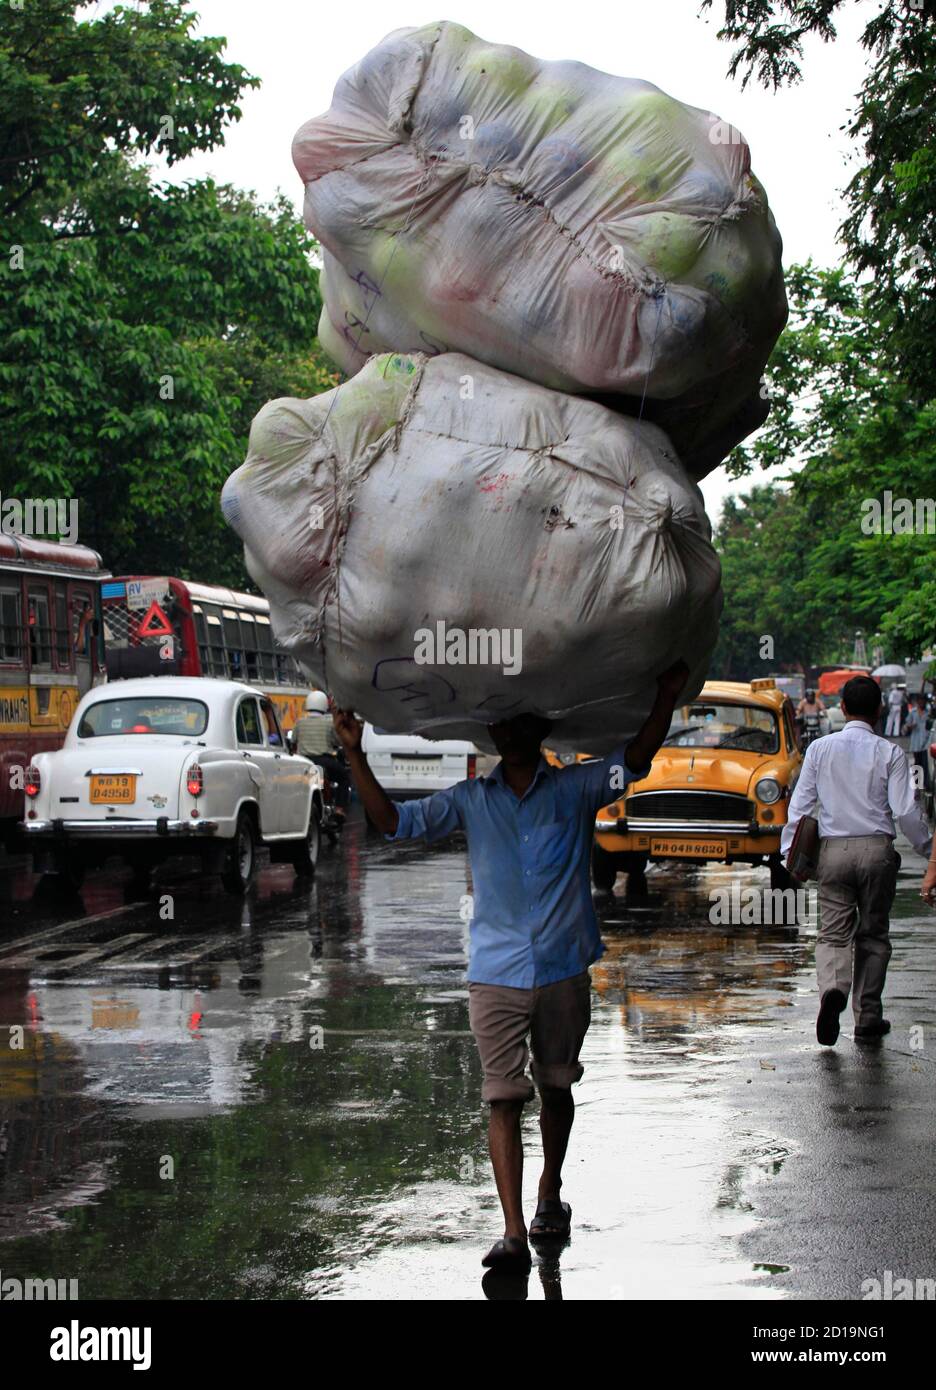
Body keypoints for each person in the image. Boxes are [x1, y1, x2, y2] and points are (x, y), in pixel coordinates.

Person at [332, 659, 690, 1274]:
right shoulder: (472, 801)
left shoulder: (577, 789)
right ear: (493, 735)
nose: (513, 733)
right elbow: (391, 823)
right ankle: (513, 1231)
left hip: (562, 969)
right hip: (494, 974)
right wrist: (355, 754)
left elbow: (635, 758)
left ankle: (550, 1187)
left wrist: (666, 694)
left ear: (541, 730)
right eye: (503, 724)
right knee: (502, 1097)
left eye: (524, 723)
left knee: (556, 1085)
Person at [782, 675, 932, 1046]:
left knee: (833, 934)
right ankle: (867, 1017)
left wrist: (790, 852)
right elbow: (906, 812)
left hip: (833, 853)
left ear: (843, 708)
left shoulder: (819, 749)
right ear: (880, 710)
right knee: (874, 935)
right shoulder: (890, 753)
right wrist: (930, 851)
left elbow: (799, 806)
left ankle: (833, 989)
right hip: (878, 852)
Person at [294, 692, 350, 816]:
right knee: (344, 778)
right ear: (325, 705)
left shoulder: (300, 722)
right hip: (324, 761)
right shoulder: (329, 722)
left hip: (304, 763)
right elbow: (337, 740)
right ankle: (339, 809)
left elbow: (293, 741)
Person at [903, 692, 931, 795]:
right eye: (919, 700)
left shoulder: (929, 713)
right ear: (917, 702)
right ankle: (917, 785)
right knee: (917, 762)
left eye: (923, 700)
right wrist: (910, 726)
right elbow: (906, 725)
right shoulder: (913, 712)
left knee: (925, 763)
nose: (921, 702)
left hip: (926, 741)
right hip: (916, 741)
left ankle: (926, 785)